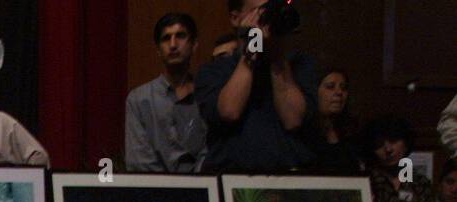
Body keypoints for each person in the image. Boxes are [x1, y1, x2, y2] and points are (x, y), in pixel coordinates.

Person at [195, 0, 318, 172]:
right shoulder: (214, 71)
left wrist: (276, 52)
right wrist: (253, 45)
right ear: (236, 18)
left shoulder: (300, 65)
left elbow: (293, 119)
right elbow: (229, 112)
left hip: (292, 177)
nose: (269, 18)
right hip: (234, 178)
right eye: (262, 11)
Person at [124, 13, 207, 173]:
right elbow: (139, 162)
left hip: (204, 189)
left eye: (180, 36)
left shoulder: (207, 94)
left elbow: (212, 150)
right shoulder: (139, 99)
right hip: (155, 193)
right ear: (158, 50)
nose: (173, 44)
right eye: (166, 38)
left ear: (194, 45)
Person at [310, 67, 361, 173]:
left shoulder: (351, 133)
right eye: (330, 87)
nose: (339, 92)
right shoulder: (304, 134)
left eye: (343, 88)